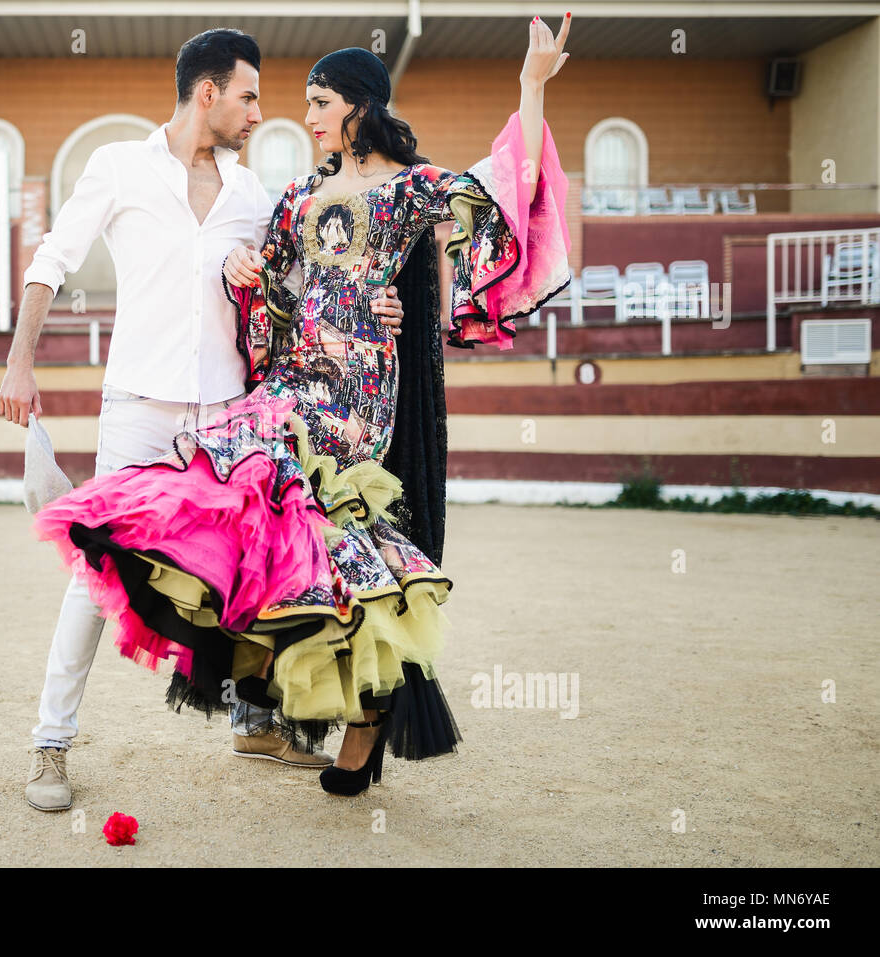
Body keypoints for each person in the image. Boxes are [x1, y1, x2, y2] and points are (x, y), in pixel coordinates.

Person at [31, 16, 573, 795]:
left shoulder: (410, 190)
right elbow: (268, 292)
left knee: (331, 542)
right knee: (246, 514)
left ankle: (351, 717)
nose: (303, 116)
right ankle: (242, 673)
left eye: (318, 101)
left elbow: (504, 189)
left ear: (356, 106)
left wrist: (530, 86)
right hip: (285, 385)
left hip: (357, 397)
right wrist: (246, 272)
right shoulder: (295, 194)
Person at [0, 28, 408, 812]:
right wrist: (21, 361)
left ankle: (255, 723)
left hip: (228, 417)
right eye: (250, 96)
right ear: (208, 93)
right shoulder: (119, 165)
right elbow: (51, 259)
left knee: (248, 575)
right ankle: (50, 744)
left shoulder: (252, 195)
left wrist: (385, 301)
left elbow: (303, 280)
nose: (261, 112)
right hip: (137, 411)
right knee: (94, 576)